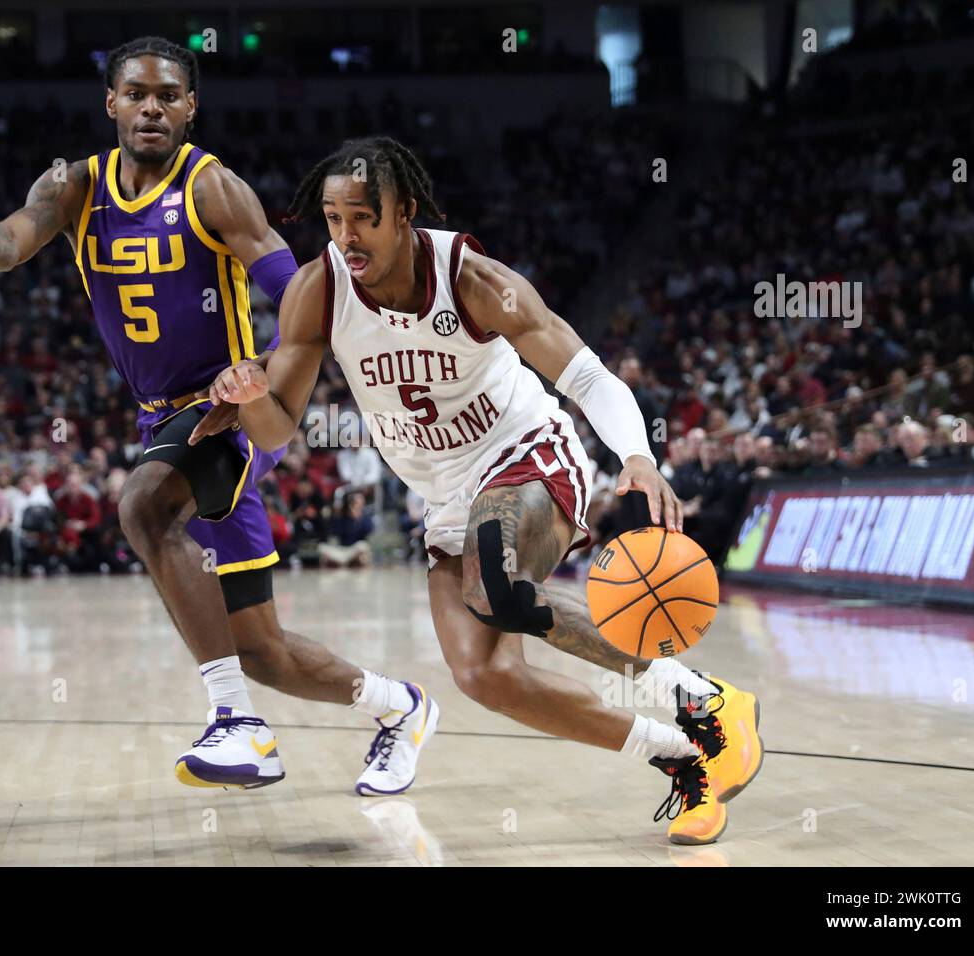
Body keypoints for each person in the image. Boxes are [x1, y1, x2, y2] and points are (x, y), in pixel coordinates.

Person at [194, 137, 764, 844]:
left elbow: (583, 373)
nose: (346, 237)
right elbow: (276, 429)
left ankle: (697, 698)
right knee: (485, 676)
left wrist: (639, 456)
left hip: (526, 453)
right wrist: (251, 395)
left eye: (362, 218)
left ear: (403, 213)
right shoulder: (319, 290)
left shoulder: (473, 280)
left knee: (494, 579)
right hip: (444, 497)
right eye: (333, 219)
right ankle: (685, 757)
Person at [0, 38, 435, 795]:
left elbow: (300, 295)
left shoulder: (214, 189)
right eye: (137, 94)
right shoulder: (73, 185)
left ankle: (237, 725)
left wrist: (261, 375)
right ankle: (402, 708)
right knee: (260, 649)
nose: (152, 108)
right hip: (161, 423)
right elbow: (7, 247)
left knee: (142, 504)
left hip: (227, 415)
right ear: (112, 104)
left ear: (191, 107)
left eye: (169, 95)